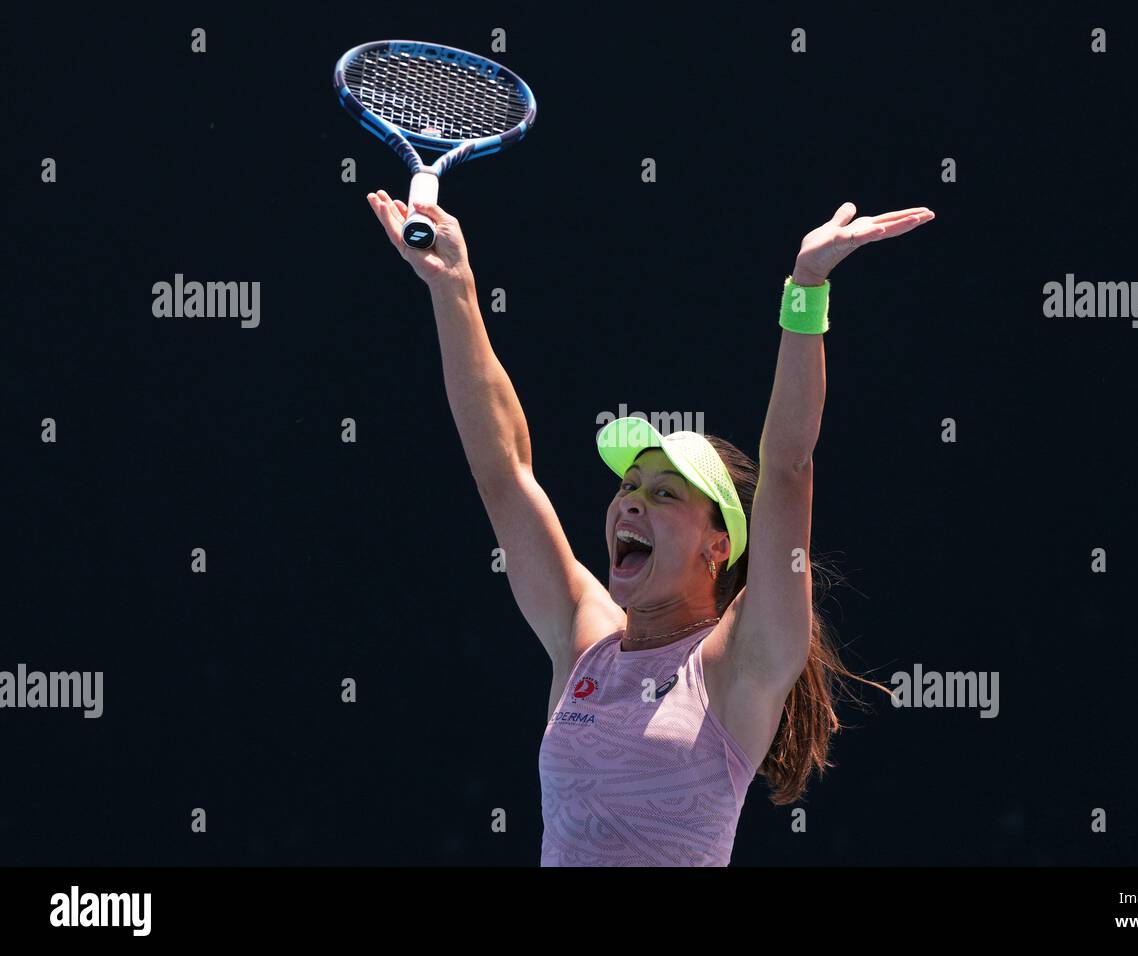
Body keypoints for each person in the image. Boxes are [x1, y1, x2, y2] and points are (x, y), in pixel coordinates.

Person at [366, 190, 935, 865]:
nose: (630, 502)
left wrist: (806, 290)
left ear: (718, 546)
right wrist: (453, 286)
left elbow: (786, 469)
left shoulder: (741, 660)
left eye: (665, 493)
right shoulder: (585, 641)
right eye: (629, 486)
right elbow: (505, 471)